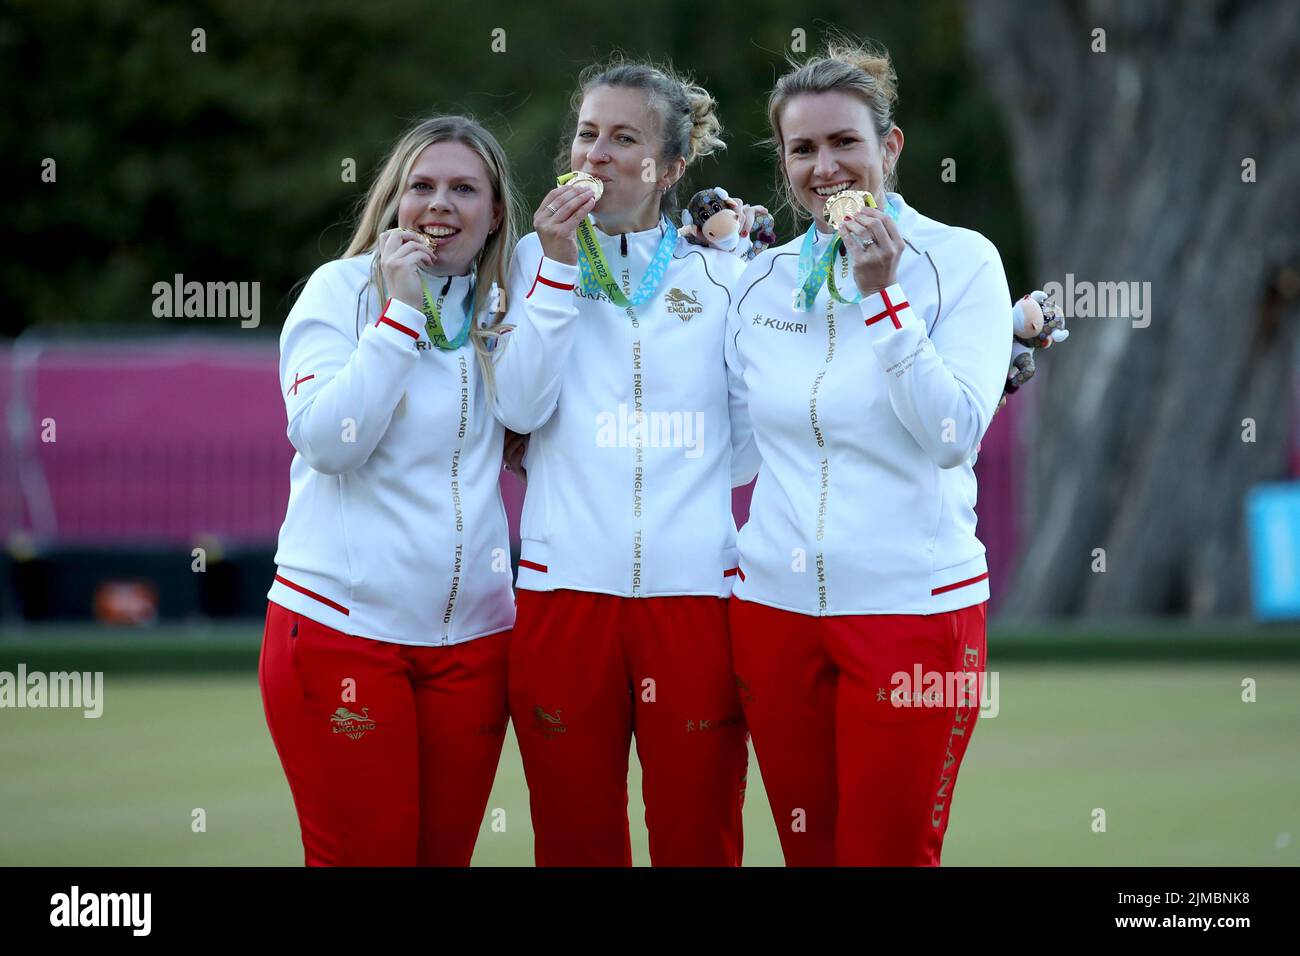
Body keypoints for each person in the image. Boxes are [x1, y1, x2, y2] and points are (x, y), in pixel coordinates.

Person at [259, 114, 583, 866]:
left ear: (496, 211)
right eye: (422, 186)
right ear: (394, 201)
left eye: (464, 188)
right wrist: (402, 314)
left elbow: (529, 412)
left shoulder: (497, 308)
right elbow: (329, 441)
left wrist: (559, 267)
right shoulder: (340, 290)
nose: (440, 203)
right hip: (344, 628)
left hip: (473, 642)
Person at [725, 38, 1011, 866]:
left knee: (886, 853)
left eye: (845, 142)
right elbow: (734, 449)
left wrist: (885, 301)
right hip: (774, 617)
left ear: (888, 148)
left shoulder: (960, 262)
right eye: (803, 149)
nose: (826, 168)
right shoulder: (757, 280)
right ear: (784, 165)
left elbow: (953, 433)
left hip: (913, 612)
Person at [493, 58, 755, 866]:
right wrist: (562, 267)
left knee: (697, 837)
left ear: (670, 168)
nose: (595, 154)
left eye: (623, 139)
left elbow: (745, 447)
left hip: (694, 598)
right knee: (574, 839)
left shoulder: (727, 272)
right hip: (562, 595)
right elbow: (519, 411)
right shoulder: (532, 263)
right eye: (586, 134)